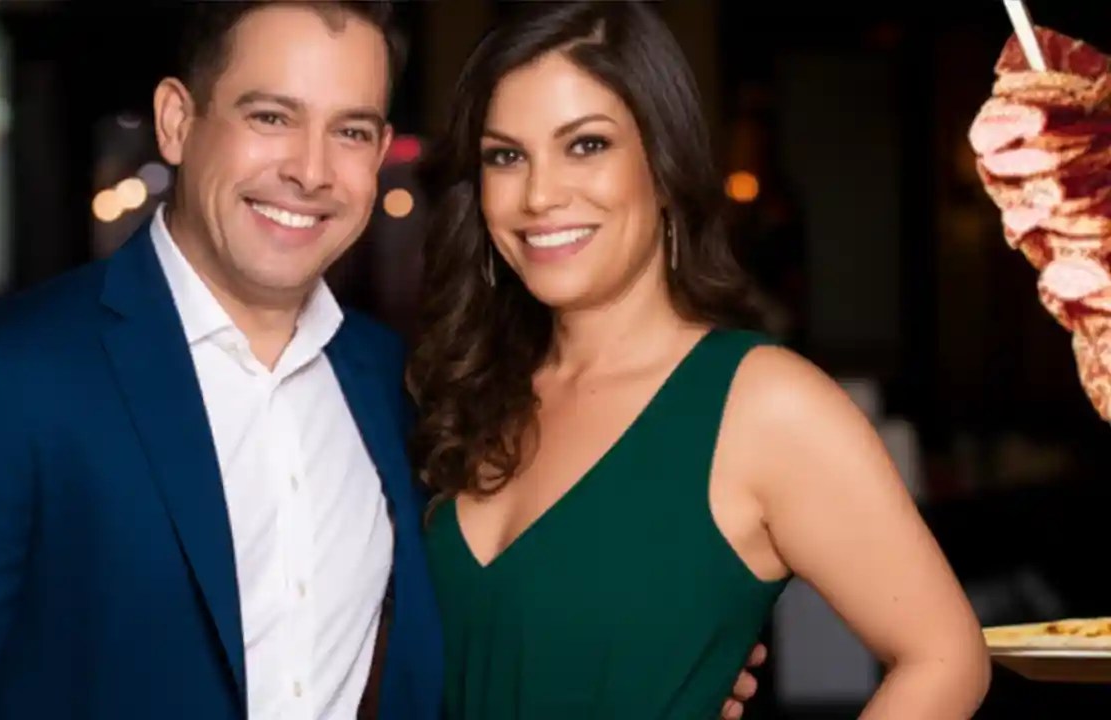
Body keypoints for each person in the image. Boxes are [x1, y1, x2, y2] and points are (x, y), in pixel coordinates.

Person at [0, 2, 762, 719]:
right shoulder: (0, 378)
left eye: (354, 130)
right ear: (177, 122)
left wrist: (664, 670)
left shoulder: (397, 384)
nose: (312, 171)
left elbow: (475, 635)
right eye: (272, 116)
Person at [408, 3, 992, 719]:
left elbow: (945, 657)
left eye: (586, 145)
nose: (539, 195)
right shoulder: (470, 387)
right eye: (506, 155)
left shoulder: (762, 404)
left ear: (662, 163)